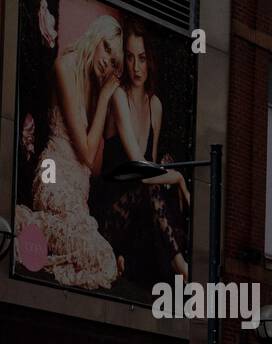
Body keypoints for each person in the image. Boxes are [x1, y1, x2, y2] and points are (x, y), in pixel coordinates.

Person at [16, 16, 121, 288]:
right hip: (53, 176)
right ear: (96, 37)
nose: (107, 61)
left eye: (114, 61)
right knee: (102, 259)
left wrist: (103, 103)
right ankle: (25, 223)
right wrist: (106, 99)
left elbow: (94, 167)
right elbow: (85, 154)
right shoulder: (66, 66)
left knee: (98, 257)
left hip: (77, 193)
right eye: (107, 48)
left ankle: (34, 230)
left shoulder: (96, 89)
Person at [95, 18, 190, 282]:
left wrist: (168, 176)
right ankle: (180, 264)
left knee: (158, 193)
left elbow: (152, 167)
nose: (136, 68)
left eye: (142, 58)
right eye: (129, 58)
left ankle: (131, 259)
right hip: (113, 210)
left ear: (151, 61)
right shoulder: (119, 97)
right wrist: (178, 177)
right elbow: (140, 167)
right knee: (152, 185)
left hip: (141, 213)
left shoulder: (155, 105)